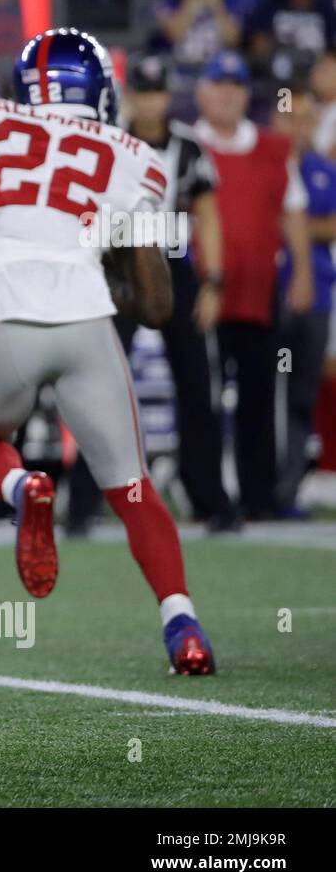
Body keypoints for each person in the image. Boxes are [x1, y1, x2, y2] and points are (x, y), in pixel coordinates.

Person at [0, 28, 215, 675]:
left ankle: (21, 486)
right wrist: (108, 266)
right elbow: (156, 305)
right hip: (84, 320)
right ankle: (183, 626)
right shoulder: (132, 155)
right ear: (100, 92)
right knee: (134, 489)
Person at [67, 54, 240, 534]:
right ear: (130, 97)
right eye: (141, 94)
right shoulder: (108, 143)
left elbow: (206, 215)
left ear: (167, 96)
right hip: (117, 270)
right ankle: (82, 503)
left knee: (196, 386)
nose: (149, 102)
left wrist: (214, 280)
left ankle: (210, 499)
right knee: (96, 384)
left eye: (156, 93)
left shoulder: (188, 148)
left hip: (174, 270)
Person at [193, 50, 314, 519]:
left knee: (261, 398)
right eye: (218, 84)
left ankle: (259, 497)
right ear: (201, 92)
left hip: (259, 290)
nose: (226, 94)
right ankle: (207, 497)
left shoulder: (272, 149)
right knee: (200, 398)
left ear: (246, 94)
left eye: (235, 86)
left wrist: (301, 271)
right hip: (202, 291)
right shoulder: (187, 144)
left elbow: (294, 209)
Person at [271, 88, 335, 516]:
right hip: (268, 298)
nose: (296, 127)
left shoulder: (323, 171)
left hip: (313, 302)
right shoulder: (265, 166)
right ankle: (265, 486)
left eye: (304, 118)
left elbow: (332, 226)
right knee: (271, 389)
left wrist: (290, 225)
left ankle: (287, 490)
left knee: (299, 393)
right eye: (288, 117)